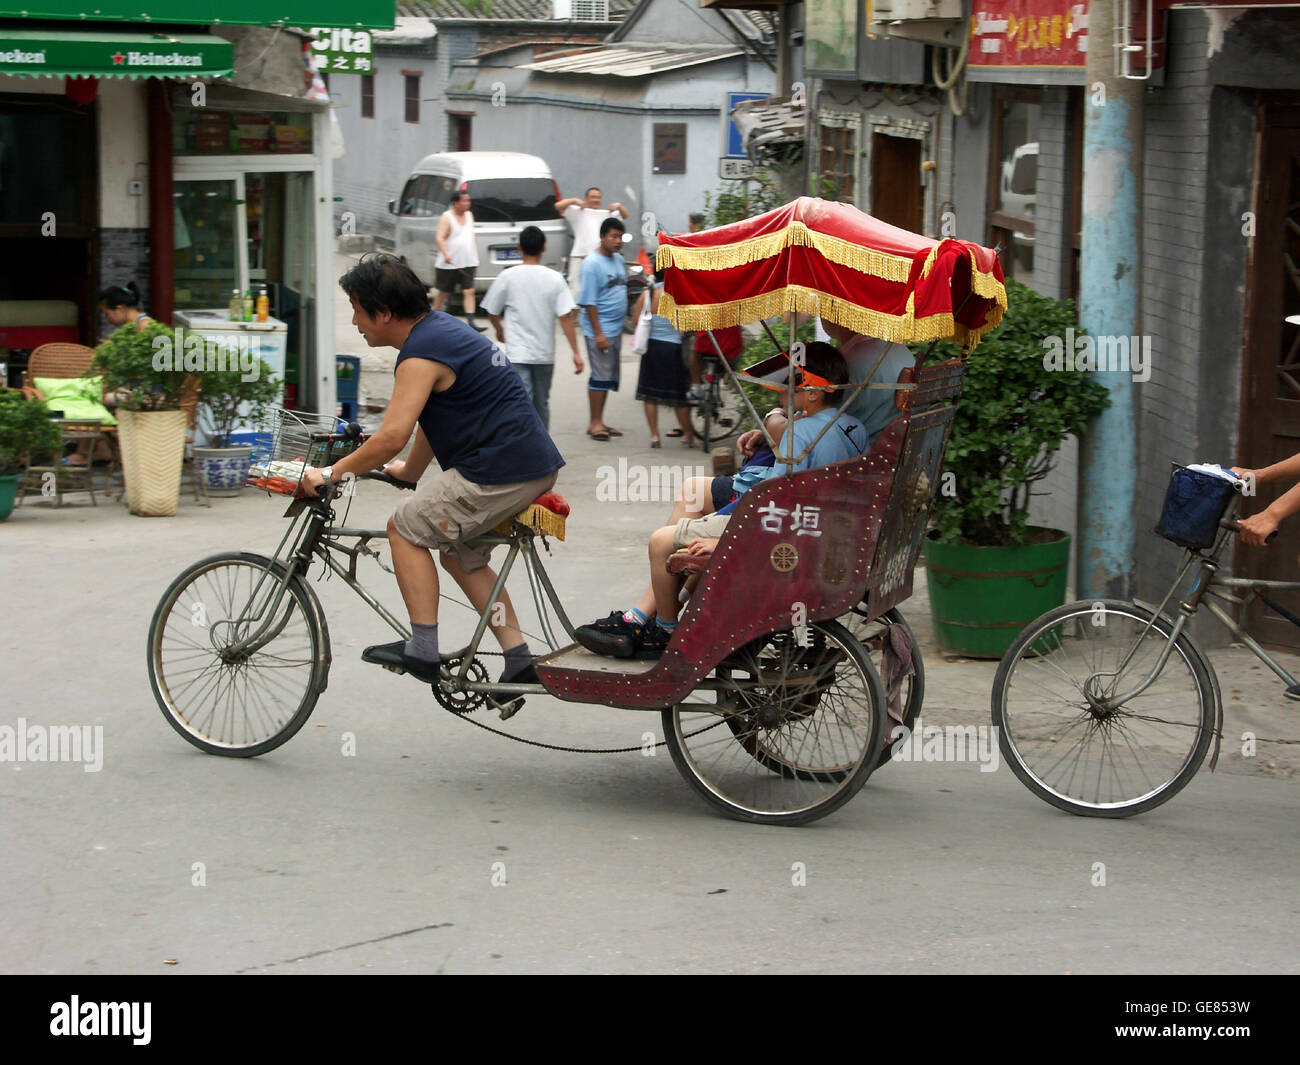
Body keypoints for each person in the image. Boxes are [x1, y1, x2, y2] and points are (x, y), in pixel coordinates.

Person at [300, 254, 564, 694]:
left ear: (383, 313)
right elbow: (429, 417)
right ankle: (518, 658)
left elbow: (390, 436)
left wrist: (330, 474)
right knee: (461, 554)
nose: (354, 320)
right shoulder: (440, 331)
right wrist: (410, 471)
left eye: (358, 310)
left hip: (499, 471)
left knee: (404, 527)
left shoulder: (420, 354)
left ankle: (422, 648)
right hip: (529, 467)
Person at [575, 342, 867, 660]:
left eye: (787, 386)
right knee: (692, 506)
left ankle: (664, 632)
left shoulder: (800, 434)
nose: (780, 394)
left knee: (660, 542)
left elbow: (771, 503)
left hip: (781, 532)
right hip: (815, 526)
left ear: (812, 392)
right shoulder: (855, 428)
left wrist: (723, 539)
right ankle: (656, 615)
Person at [480, 225, 582, 429]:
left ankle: (523, 447)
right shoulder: (554, 278)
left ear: (519, 247)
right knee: (541, 403)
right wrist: (576, 352)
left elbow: (491, 310)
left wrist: (499, 329)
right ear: (544, 248)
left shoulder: (508, 276)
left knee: (521, 402)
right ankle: (542, 448)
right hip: (545, 354)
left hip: (517, 353)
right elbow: (566, 317)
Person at [577, 217, 629, 441]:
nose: (617, 241)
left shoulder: (617, 259)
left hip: (615, 329)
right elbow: (589, 302)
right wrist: (598, 333)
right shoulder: (591, 264)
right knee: (599, 376)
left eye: (620, 237)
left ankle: (600, 420)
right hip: (600, 330)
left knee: (607, 376)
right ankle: (594, 423)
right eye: (613, 236)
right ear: (602, 236)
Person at [633, 267, 696, 448]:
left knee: (649, 394)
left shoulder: (648, 293)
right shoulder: (678, 296)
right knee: (678, 395)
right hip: (673, 348)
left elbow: (636, 321)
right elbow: (686, 327)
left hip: (651, 348)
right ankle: (688, 436)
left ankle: (654, 436)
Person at [555, 187, 629, 298]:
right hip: (580, 257)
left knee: (600, 290)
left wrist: (618, 206)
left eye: (598, 197)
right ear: (586, 199)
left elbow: (625, 215)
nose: (596, 200)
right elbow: (558, 206)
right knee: (576, 292)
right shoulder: (577, 212)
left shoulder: (607, 214)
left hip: (601, 259)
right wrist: (574, 200)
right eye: (593, 197)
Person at [432, 189, 484, 330]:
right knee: (443, 292)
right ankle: (432, 317)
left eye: (468, 200)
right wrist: (446, 254)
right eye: (465, 200)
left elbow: (471, 235)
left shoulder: (469, 215)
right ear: (456, 203)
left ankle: (471, 322)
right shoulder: (446, 217)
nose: (468, 203)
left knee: (469, 291)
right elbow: (439, 237)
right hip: (449, 263)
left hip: (468, 261)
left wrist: (475, 252)